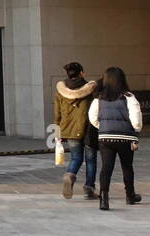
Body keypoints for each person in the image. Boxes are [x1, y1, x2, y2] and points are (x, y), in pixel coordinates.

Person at [88, 66, 144, 210]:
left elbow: (92, 117)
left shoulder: (99, 98)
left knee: (106, 168)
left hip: (105, 137)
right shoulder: (128, 97)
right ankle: (130, 196)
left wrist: (103, 127)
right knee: (127, 166)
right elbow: (136, 120)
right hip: (125, 137)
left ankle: (104, 199)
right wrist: (135, 131)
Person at [52, 61, 98, 200]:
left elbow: (57, 114)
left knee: (76, 157)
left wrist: (57, 132)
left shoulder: (60, 91)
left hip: (69, 130)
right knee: (91, 160)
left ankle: (70, 175)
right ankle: (89, 189)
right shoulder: (90, 89)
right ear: (82, 73)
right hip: (89, 129)